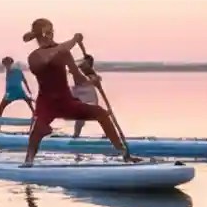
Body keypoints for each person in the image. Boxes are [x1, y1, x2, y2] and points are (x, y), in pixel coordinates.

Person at [20, 18, 137, 167]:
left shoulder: (64, 53)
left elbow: (78, 78)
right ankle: (28, 161)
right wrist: (73, 40)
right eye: (49, 31)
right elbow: (48, 57)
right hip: (47, 104)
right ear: (42, 34)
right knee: (37, 132)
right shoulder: (35, 57)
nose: (52, 34)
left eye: (52, 31)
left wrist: (92, 81)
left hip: (66, 101)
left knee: (101, 113)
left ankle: (124, 154)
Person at [70, 54, 101, 138]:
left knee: (100, 115)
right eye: (85, 63)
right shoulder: (77, 72)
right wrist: (93, 81)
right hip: (79, 98)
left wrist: (96, 80)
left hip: (89, 99)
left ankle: (110, 134)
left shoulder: (91, 74)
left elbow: (96, 81)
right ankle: (75, 136)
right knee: (80, 119)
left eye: (89, 63)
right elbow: (83, 82)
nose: (87, 65)